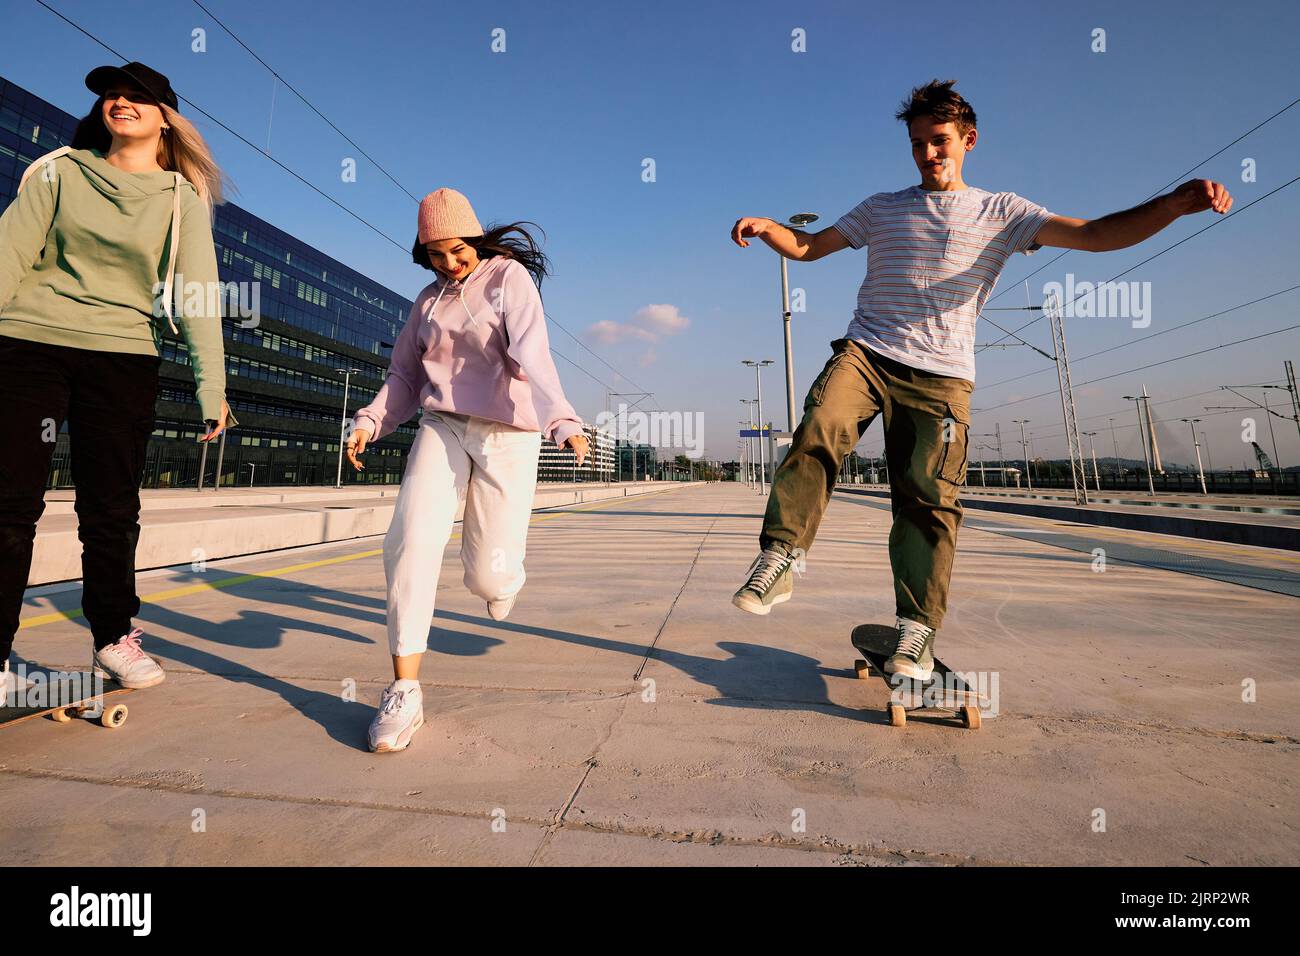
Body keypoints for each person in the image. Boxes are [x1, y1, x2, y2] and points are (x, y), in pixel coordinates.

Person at [729, 79, 1231, 680]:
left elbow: (1095, 235)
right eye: (916, 144)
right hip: (867, 353)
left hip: (942, 379)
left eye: (939, 142)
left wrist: (1170, 206)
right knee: (820, 425)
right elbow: (811, 246)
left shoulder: (1004, 213)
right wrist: (769, 228)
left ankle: (915, 632)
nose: (927, 155)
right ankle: (781, 555)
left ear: (968, 140)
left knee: (928, 499)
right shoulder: (882, 208)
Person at [0, 62, 232, 699]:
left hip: (123, 358)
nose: (120, 101)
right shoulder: (59, 172)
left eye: (138, 96)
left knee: (110, 511)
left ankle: (112, 638)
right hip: (29, 344)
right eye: (112, 94)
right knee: (9, 506)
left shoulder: (181, 199)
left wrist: (211, 385)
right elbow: (8, 254)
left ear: (165, 119)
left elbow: (197, 294)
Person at [348, 188, 589, 752]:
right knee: (408, 538)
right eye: (436, 255)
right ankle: (405, 691)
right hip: (445, 424)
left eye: (458, 251)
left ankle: (503, 580)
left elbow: (534, 352)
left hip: (509, 431)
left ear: (476, 241)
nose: (450, 264)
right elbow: (405, 376)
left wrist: (563, 420)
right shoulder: (426, 303)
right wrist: (368, 421)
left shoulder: (508, 279)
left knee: (489, 577)